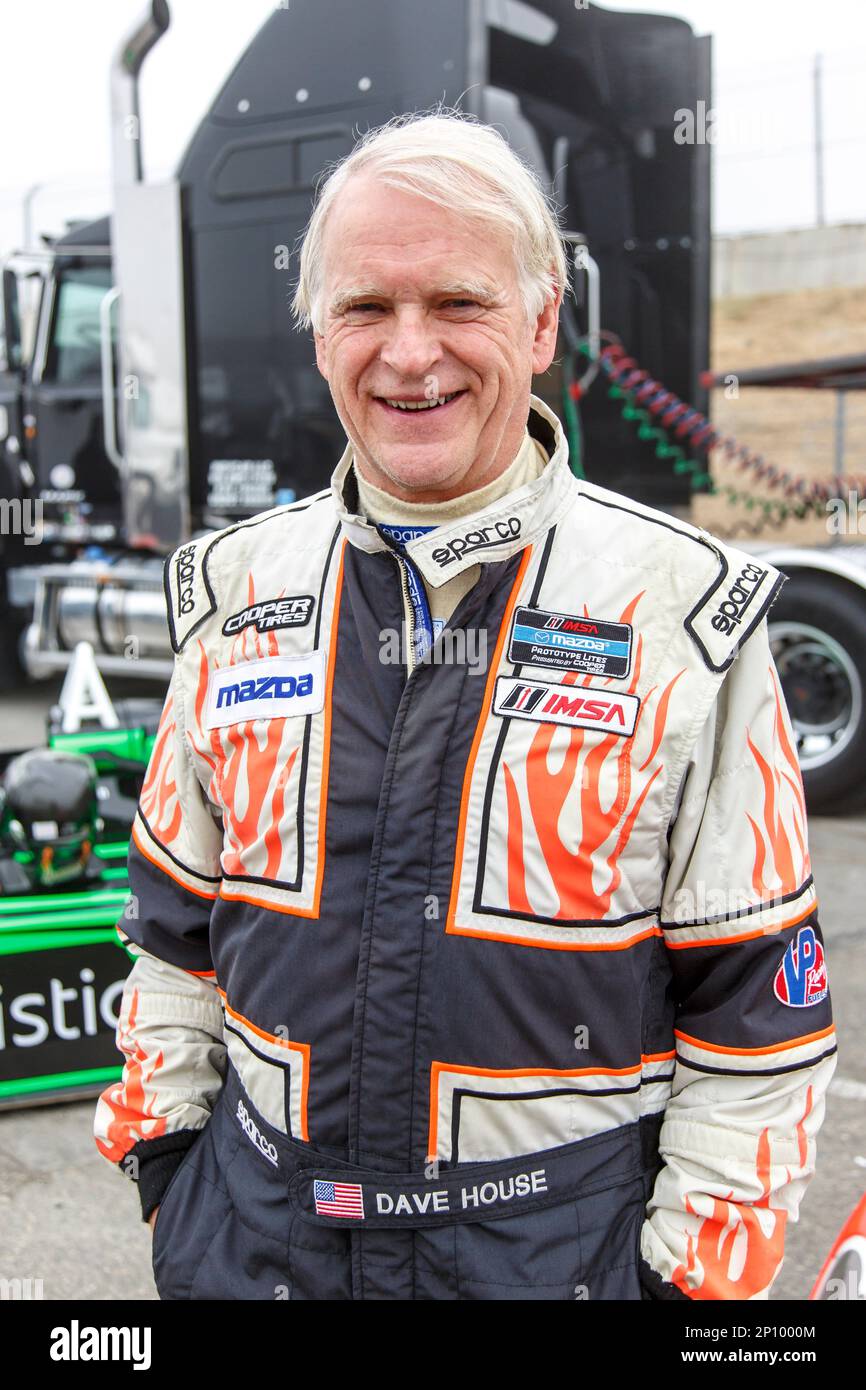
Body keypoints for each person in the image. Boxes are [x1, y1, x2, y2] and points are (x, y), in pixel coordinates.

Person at [94, 109, 836, 1301]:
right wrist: (170, 1168)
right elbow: (173, 936)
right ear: (318, 334)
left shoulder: (678, 611)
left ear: (541, 324)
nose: (408, 352)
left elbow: (759, 1021)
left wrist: (683, 1289)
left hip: (556, 1264)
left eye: (456, 303)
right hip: (253, 1248)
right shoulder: (233, 590)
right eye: (364, 309)